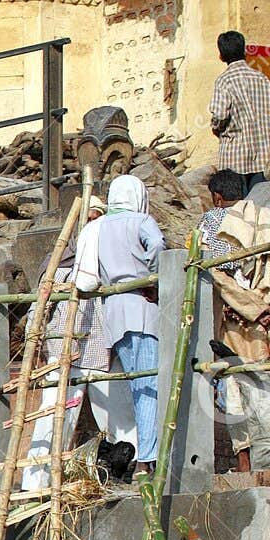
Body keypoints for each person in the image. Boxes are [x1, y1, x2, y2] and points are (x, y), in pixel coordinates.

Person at [74, 174, 166, 476]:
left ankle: (145, 452)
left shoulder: (97, 228)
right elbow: (158, 246)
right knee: (148, 384)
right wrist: (154, 277)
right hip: (140, 304)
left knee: (136, 382)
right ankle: (147, 458)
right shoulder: (141, 221)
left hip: (112, 309)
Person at [203, 169, 270, 471]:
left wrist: (248, 305)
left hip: (238, 317)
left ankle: (245, 465)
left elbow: (214, 269)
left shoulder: (215, 220)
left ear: (218, 197)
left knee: (236, 387)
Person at [20, 240, 109, 492]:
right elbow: (39, 309)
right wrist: (33, 340)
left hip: (101, 354)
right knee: (52, 418)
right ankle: (35, 482)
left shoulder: (108, 268)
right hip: (64, 354)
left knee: (114, 421)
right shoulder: (58, 270)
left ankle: (116, 475)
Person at [210, 31, 270, 193]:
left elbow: (219, 115)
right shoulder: (262, 78)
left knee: (239, 207)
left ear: (221, 56)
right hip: (264, 155)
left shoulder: (224, 80)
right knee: (260, 206)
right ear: (245, 51)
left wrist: (216, 127)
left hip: (235, 157)